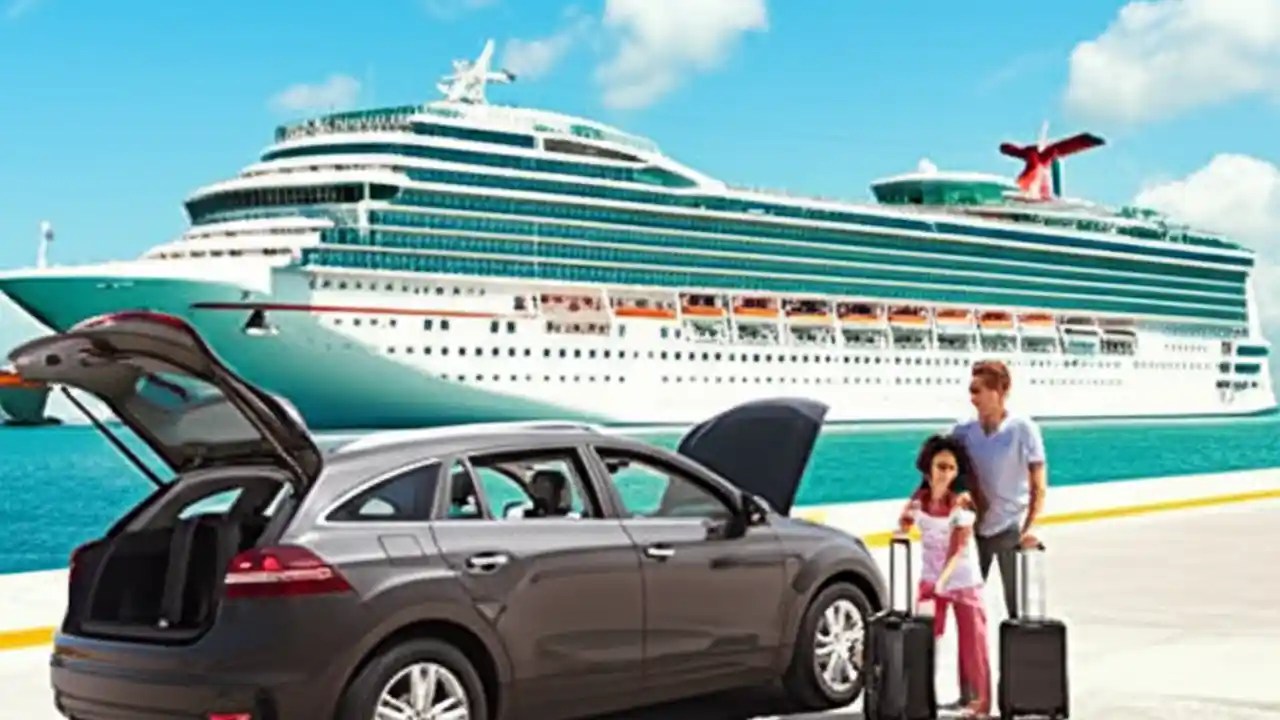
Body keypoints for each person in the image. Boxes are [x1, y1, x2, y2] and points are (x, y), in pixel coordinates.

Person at [896, 434, 990, 718]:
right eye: (941, 467)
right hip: (930, 578)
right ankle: (918, 697)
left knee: (973, 643)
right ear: (928, 469)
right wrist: (902, 528)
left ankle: (981, 704)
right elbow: (905, 522)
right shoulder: (920, 498)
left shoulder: (961, 503)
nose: (946, 473)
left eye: (951, 468)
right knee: (924, 639)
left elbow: (958, 548)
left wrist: (942, 582)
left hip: (962, 580)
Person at [949, 359, 1048, 620]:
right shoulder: (962, 432)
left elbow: (1038, 485)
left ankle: (1022, 660)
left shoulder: (1023, 429)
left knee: (1019, 610)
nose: (972, 398)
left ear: (1000, 391)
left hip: (1010, 530)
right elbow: (942, 470)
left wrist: (1031, 527)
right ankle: (974, 661)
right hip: (974, 531)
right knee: (967, 610)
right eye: (971, 390)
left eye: (977, 390)